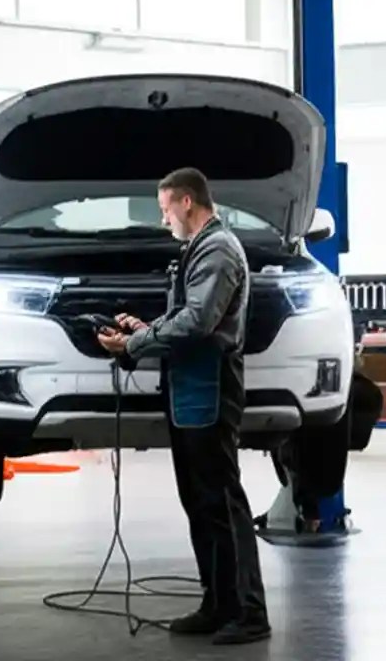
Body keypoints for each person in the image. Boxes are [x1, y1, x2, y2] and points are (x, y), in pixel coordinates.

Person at [96, 167, 270, 646]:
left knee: (222, 501)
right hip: (190, 387)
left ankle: (249, 613)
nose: (163, 217)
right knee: (200, 502)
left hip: (211, 386)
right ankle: (217, 604)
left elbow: (198, 322)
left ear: (187, 202)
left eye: (165, 207)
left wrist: (134, 346)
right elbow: (187, 316)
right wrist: (144, 328)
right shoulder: (199, 249)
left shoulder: (217, 248)